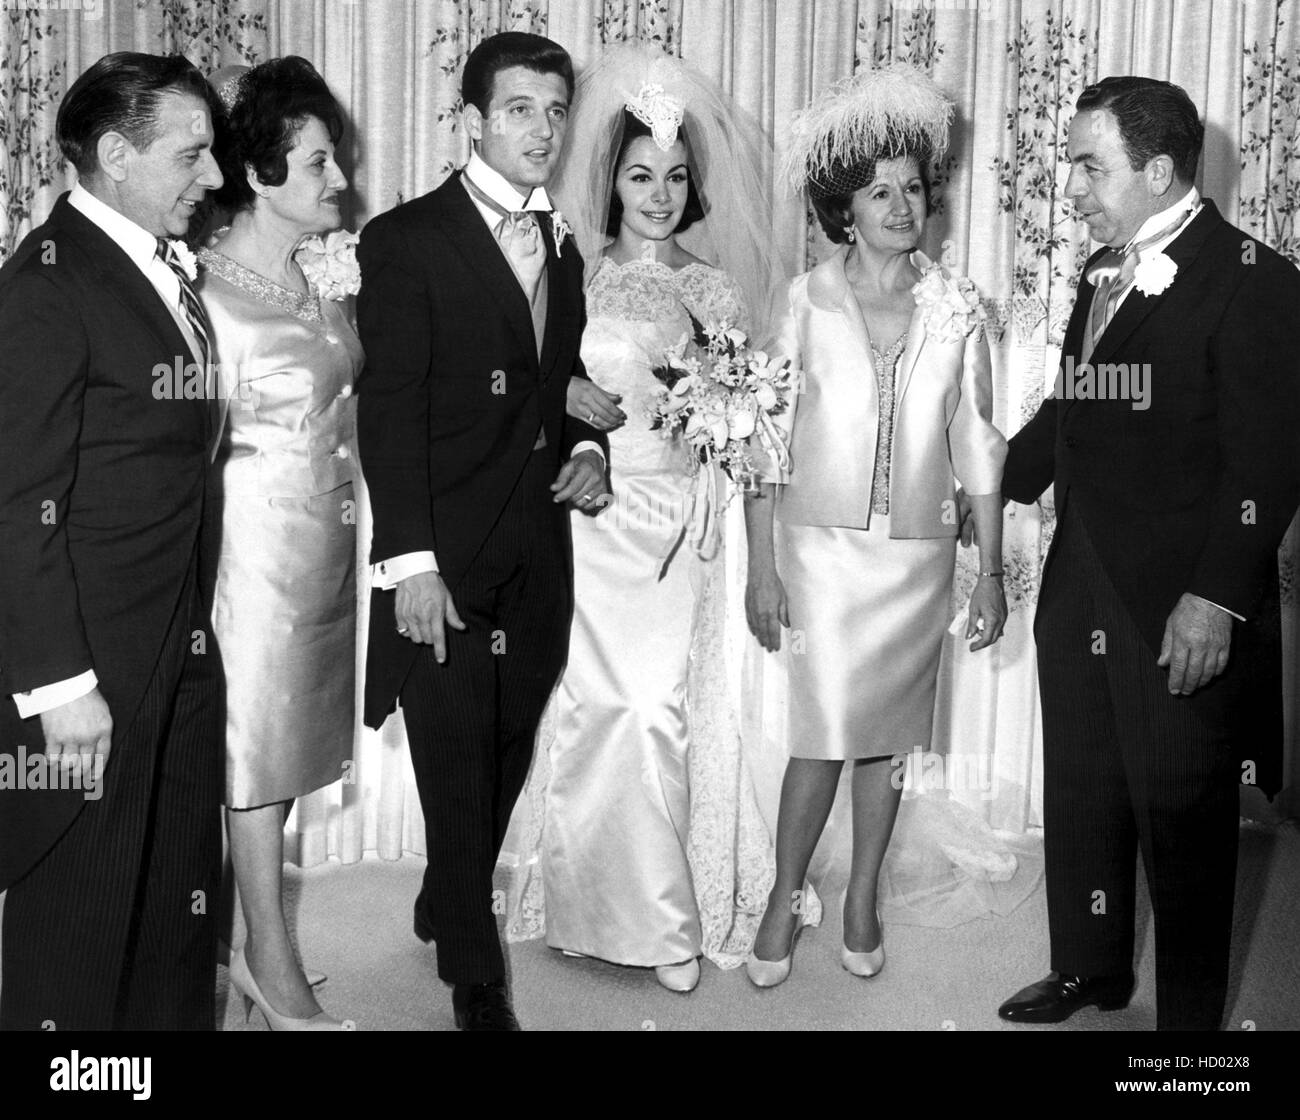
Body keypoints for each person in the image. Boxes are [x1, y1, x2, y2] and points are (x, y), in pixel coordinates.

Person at [995, 77, 1300, 1032]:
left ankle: (1191, 1036)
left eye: (1091, 166)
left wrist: (1215, 599)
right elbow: (1078, 412)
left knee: (1185, 821)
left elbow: (1271, 458)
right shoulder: (1102, 271)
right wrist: (985, 475)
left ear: (1159, 170)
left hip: (1178, 600)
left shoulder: (1260, 280)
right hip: (1080, 577)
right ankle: (1090, 971)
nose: (1073, 187)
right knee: (1084, 787)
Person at [356, 31, 609, 1031]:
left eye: (554, 109)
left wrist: (593, 454)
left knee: (507, 745)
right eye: (517, 109)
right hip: (443, 559)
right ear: (471, 120)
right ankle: (475, 970)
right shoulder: (405, 238)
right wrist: (409, 561)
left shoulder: (567, 241)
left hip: (537, 555)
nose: (541, 129)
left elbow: (564, 388)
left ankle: (444, 887)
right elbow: (388, 409)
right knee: (455, 760)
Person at [743, 66, 1008, 988]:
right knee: (819, 734)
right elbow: (761, 440)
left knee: (891, 740)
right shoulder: (802, 301)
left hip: (918, 555)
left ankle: (861, 895)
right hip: (818, 553)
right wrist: (759, 569)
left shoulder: (957, 305)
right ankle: (784, 898)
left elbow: (977, 435)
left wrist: (997, 567)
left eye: (913, 189)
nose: (903, 205)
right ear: (843, 210)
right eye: (879, 192)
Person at [539, 45, 777, 993]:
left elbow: (742, 418)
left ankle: (665, 924)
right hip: (586, 517)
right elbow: (543, 391)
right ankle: (588, 908)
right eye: (642, 175)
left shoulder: (710, 289)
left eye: (676, 176)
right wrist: (580, 435)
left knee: (654, 710)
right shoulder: (571, 275)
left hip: (675, 523)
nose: (661, 192)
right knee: (594, 709)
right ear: (612, 181)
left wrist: (719, 441)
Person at [0, 52, 225, 1029]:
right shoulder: (47, 285)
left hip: (174, 648)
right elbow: (15, 500)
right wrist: (60, 689)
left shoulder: (150, 267)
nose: (213, 178)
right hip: (90, 673)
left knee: (173, 907)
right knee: (82, 926)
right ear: (114, 154)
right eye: (192, 155)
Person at [196, 57, 360, 1031]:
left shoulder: (317, 271)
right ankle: (268, 956)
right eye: (315, 165)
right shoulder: (207, 294)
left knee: (289, 746)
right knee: (251, 756)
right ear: (257, 175)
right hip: (250, 552)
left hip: (326, 543)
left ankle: (236, 939)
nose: (337, 181)